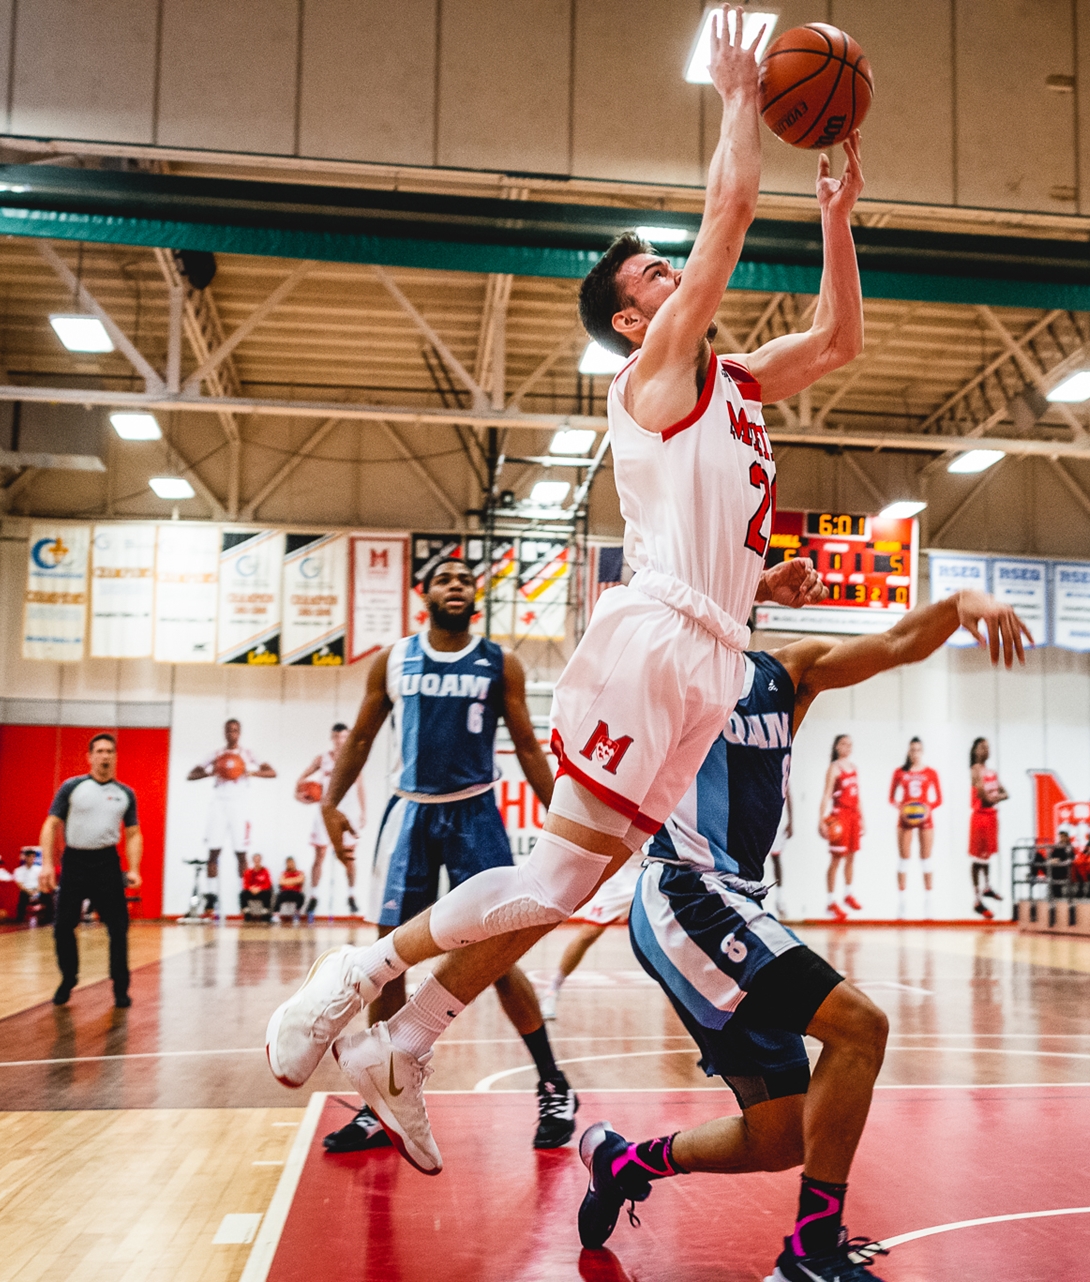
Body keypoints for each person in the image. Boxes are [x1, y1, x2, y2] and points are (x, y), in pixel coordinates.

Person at [265, 5, 859, 1157]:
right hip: (657, 644)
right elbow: (730, 211)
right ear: (635, 319)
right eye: (654, 270)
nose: (674, 268)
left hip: (714, 655)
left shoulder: (731, 380)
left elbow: (837, 342)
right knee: (552, 875)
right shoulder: (657, 369)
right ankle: (349, 985)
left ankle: (404, 1042)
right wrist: (740, 95)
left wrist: (837, 218)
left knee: (564, 886)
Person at [578, 586, 1030, 1281]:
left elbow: (900, 642)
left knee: (782, 1135)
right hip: (685, 893)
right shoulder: (663, 673)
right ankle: (812, 1254)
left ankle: (621, 1161)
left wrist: (962, 603)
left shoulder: (787, 673)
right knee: (861, 1027)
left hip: (738, 900)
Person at [301, 557, 580, 1156]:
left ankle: (554, 1084)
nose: (457, 584)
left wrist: (566, 820)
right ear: (422, 592)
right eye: (444, 578)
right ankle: (383, 1105)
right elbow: (359, 738)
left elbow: (529, 746)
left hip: (475, 814)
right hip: (410, 815)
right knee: (388, 958)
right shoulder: (393, 659)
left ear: (474, 595)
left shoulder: (500, 661)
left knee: (498, 957)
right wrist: (330, 802)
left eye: (465, 578)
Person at [40, 732, 143, 1008]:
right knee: (63, 926)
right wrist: (47, 864)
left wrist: (134, 869)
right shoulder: (72, 787)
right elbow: (51, 825)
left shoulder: (124, 794)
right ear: (90, 757)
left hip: (107, 863)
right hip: (74, 862)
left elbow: (133, 833)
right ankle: (68, 978)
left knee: (118, 928)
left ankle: (121, 988)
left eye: (110, 751)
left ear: (115, 757)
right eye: (99, 751)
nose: (105, 756)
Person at [187, 718, 275, 920]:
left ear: (240, 733)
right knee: (213, 853)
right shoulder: (217, 755)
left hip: (239, 806)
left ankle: (242, 897)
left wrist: (249, 771)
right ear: (224, 732)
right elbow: (192, 774)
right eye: (229, 730)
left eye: (235, 730)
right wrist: (211, 771)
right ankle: (211, 897)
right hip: (219, 804)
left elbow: (271, 772)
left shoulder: (248, 754)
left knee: (241, 854)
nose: (232, 734)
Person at [541, 856, 646, 1022]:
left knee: (665, 936)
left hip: (648, 873)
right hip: (618, 876)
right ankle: (552, 990)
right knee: (588, 935)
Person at [297, 723, 364, 920]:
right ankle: (314, 896)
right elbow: (301, 778)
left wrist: (363, 812)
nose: (340, 740)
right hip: (326, 811)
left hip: (348, 811)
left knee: (348, 857)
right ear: (332, 738)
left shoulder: (353, 758)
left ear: (348, 738)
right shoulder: (322, 759)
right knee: (320, 854)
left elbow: (361, 787)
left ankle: (352, 894)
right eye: (337, 737)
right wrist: (299, 794)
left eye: (344, 737)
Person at [889, 738, 942, 918]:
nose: (915, 753)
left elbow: (938, 799)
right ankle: (901, 899)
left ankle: (929, 899)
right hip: (906, 817)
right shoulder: (899, 772)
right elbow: (891, 798)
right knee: (904, 858)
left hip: (925, 817)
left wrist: (928, 808)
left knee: (926, 858)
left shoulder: (931, 772)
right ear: (908, 752)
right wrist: (901, 808)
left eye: (918, 750)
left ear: (923, 751)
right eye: (912, 750)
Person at [818, 734, 863, 921]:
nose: (847, 747)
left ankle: (848, 893)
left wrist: (862, 819)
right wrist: (821, 819)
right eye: (843, 743)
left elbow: (857, 796)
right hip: (839, 817)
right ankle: (830, 901)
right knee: (837, 859)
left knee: (852, 856)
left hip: (853, 816)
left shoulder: (854, 768)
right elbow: (827, 794)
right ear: (837, 746)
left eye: (850, 744)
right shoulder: (834, 768)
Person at [967, 737, 1007, 918]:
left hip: (992, 817)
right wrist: (995, 796)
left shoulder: (992, 772)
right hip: (981, 817)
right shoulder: (976, 770)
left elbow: (1005, 793)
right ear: (975, 751)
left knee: (987, 856)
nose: (986, 750)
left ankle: (987, 887)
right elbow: (984, 796)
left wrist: (995, 797)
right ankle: (977, 899)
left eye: (987, 747)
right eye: (982, 747)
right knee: (978, 858)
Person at [240, 854, 274, 920]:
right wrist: (251, 888)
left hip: (261, 892)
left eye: (258, 860)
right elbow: (245, 884)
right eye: (255, 860)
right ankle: (246, 911)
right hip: (251, 891)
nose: (257, 861)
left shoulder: (265, 871)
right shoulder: (248, 872)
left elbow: (268, 884)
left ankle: (266, 912)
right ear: (253, 861)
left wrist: (259, 888)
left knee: (268, 893)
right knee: (243, 894)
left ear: (261, 860)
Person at [275, 858, 307, 922]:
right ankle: (276, 915)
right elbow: (281, 882)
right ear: (286, 864)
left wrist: (287, 882)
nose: (290, 864)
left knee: (301, 896)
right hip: (285, 892)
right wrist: (295, 881)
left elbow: (301, 880)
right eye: (288, 863)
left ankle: (296, 914)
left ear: (294, 863)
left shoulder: (300, 873)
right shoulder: (283, 873)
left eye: (292, 862)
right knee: (278, 896)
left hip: (295, 892)